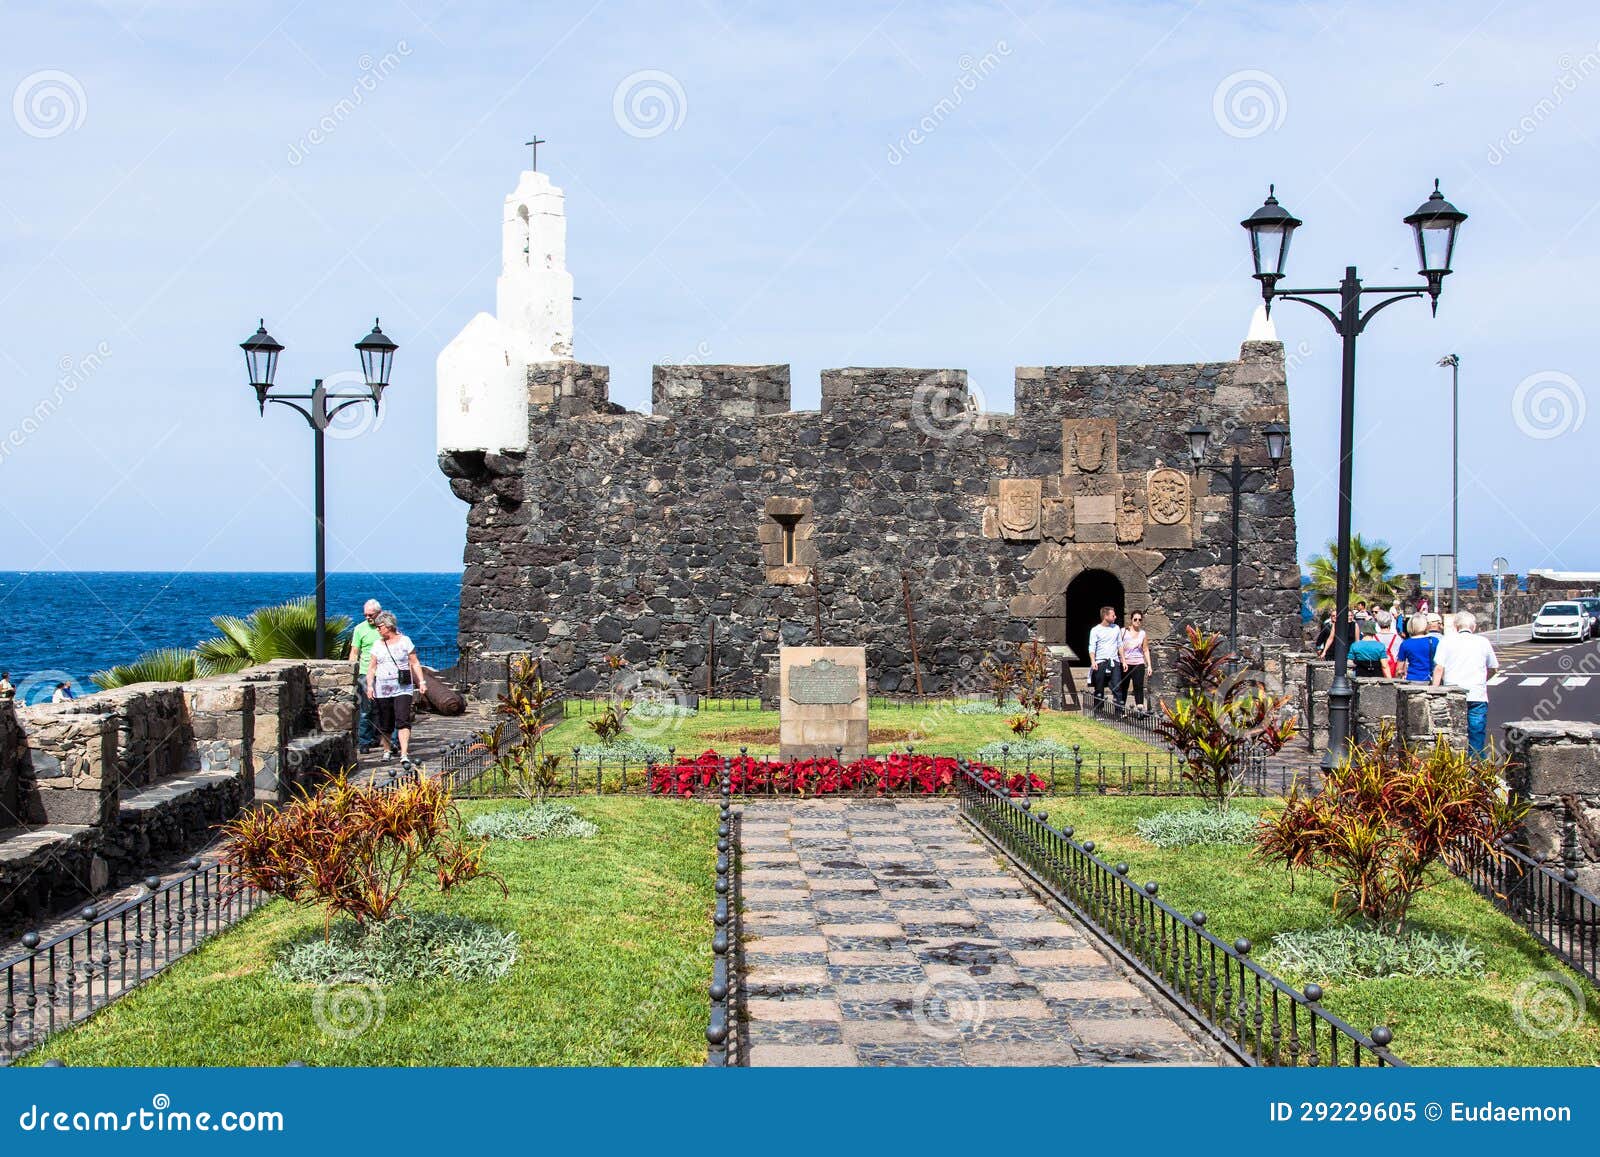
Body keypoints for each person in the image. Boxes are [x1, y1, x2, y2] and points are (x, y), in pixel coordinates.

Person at [366, 612, 427, 772]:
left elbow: (414, 662)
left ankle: (404, 753)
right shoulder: (377, 645)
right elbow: (372, 667)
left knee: (402, 719)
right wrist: (370, 686)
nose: (378, 629)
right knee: (385, 722)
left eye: (379, 626)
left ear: (388, 626)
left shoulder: (405, 641)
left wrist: (422, 681)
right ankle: (387, 750)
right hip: (382, 689)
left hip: (402, 688)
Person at [1432, 610, 1498, 759]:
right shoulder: (1483, 642)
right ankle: (1475, 766)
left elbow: (1439, 668)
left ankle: (1455, 764)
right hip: (1477, 694)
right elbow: (1493, 668)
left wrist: (1434, 690)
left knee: (1454, 732)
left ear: (1456, 627)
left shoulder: (1447, 641)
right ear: (1473, 627)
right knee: (1476, 732)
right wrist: (1483, 680)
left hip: (1453, 693)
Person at [349, 599, 385, 752]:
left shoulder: (385, 628)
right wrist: (351, 670)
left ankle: (379, 738)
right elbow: (355, 651)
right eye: (365, 615)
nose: (368, 618)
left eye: (371, 615)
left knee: (382, 708)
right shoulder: (359, 629)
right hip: (365, 672)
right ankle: (364, 741)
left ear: (379, 613)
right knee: (366, 709)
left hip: (383, 673)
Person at [1086, 605, 1123, 714]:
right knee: (1099, 687)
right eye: (1113, 615)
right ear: (1106, 616)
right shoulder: (1095, 630)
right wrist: (1093, 661)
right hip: (1101, 661)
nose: (1115, 617)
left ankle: (1119, 712)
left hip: (1114, 661)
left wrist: (1123, 660)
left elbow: (1120, 645)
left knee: (1117, 687)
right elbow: (1092, 647)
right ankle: (1098, 711)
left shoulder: (1116, 628)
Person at [1116, 610, 1152, 715]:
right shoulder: (1123, 631)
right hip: (1126, 663)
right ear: (1131, 620)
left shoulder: (1142, 634)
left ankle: (1139, 710)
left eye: (1139, 620)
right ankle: (1121, 709)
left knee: (1138, 686)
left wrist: (1149, 665)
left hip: (1138, 663)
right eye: (1135, 619)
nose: (1137, 621)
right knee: (1124, 686)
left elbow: (1145, 649)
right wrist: (1123, 661)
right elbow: (1120, 647)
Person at [1396, 612, 1440, 682]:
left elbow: (1399, 669)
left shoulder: (1405, 644)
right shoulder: (1434, 641)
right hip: (1430, 679)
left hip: (1412, 679)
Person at [1374, 610, 1402, 678]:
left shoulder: (1374, 638)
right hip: (1393, 669)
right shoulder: (1398, 638)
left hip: (1378, 669)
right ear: (1390, 622)